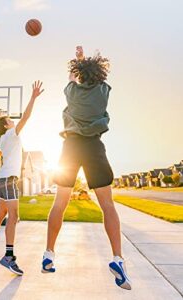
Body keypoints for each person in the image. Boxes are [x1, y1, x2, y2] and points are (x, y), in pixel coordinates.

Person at [41, 46, 132, 290]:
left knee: (59, 203)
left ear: (79, 73)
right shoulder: (103, 91)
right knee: (107, 205)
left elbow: (71, 77)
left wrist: (78, 60)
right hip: (94, 147)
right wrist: (86, 62)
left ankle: (49, 253)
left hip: (70, 147)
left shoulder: (71, 92)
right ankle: (117, 259)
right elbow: (100, 78)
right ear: (99, 73)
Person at [0, 81, 44, 276]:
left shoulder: (3, 138)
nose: (13, 121)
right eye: (10, 120)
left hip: (3, 179)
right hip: (9, 179)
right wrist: (33, 97)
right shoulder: (12, 133)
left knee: (1, 214)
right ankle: (9, 256)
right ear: (7, 125)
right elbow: (26, 116)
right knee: (14, 217)